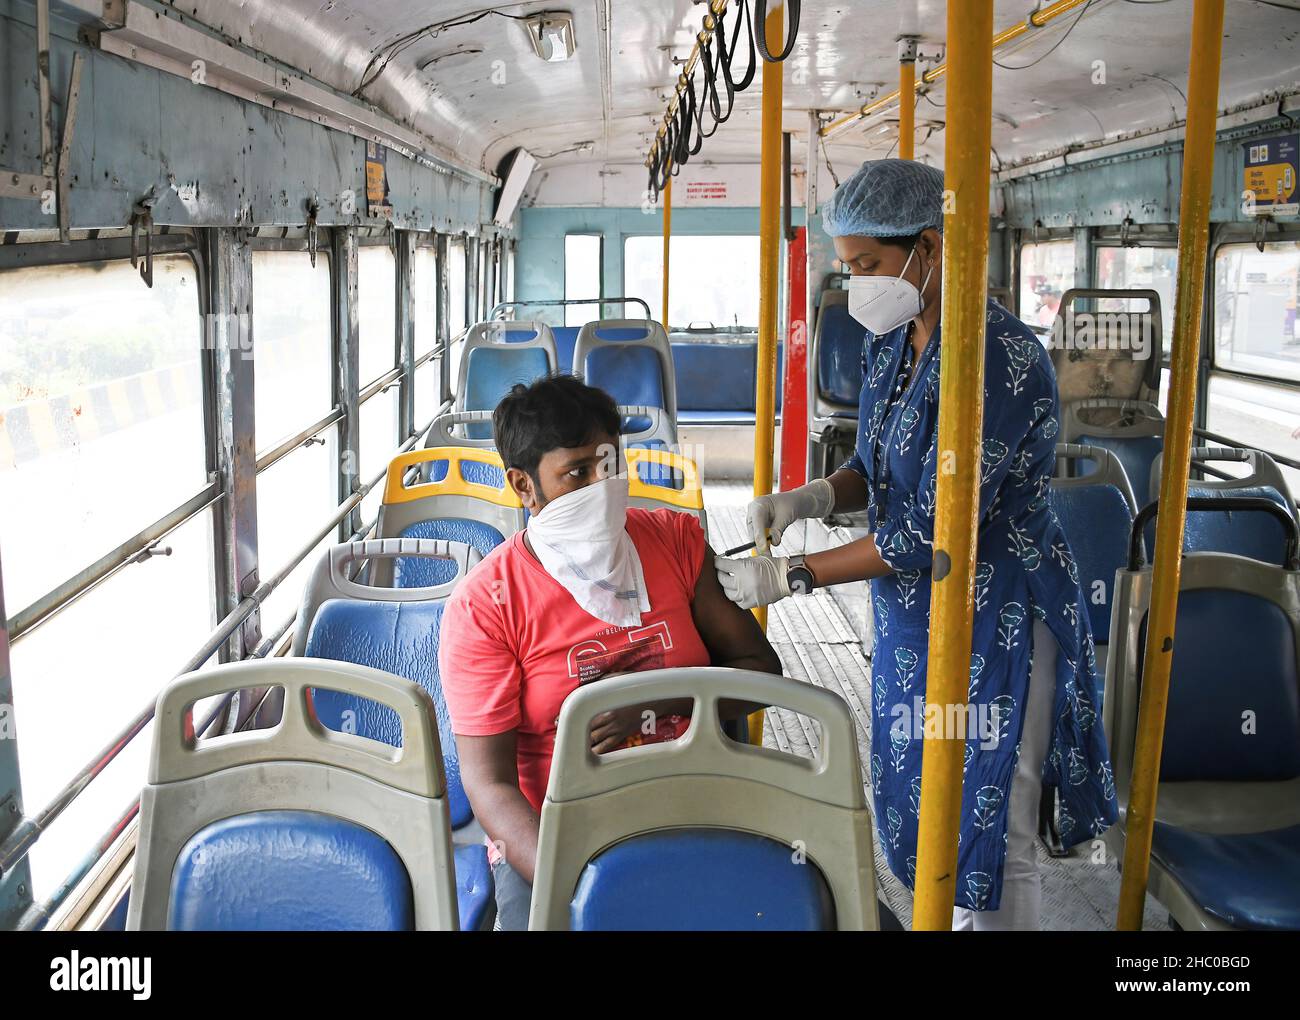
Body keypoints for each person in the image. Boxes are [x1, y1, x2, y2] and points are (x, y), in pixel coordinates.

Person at [714, 159, 1117, 931]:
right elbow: (874, 464)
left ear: (928, 249)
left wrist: (793, 576)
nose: (857, 283)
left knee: (997, 823)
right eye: (848, 266)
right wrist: (815, 496)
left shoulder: (997, 361)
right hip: (914, 619)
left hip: (997, 618)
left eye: (868, 265)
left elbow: (932, 531)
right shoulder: (891, 341)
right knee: (929, 795)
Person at [438, 373, 781, 931]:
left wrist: (661, 705)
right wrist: (565, 877)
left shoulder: (674, 542)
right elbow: (491, 785)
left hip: (698, 803)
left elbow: (760, 670)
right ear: (524, 487)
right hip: (559, 830)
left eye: (610, 464)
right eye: (577, 472)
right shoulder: (487, 604)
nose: (603, 484)